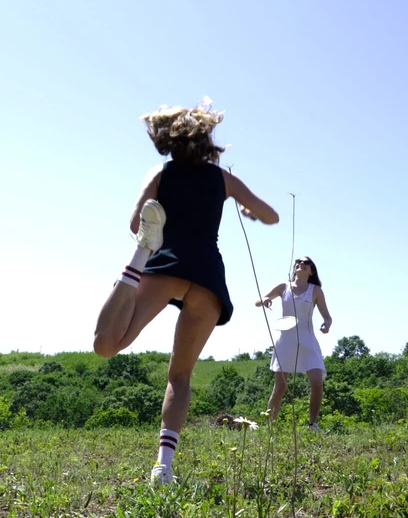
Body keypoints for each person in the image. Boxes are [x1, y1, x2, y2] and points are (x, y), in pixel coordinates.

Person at [93, 97, 279, 485]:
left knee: (107, 344)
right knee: (180, 376)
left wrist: (150, 235)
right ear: (207, 138)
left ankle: (135, 264)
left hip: (166, 265)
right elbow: (271, 215)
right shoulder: (224, 179)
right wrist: (248, 210)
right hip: (208, 277)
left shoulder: (161, 173)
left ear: (169, 138)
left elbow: (133, 222)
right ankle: (164, 467)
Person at [255, 256, 333, 430]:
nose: (301, 264)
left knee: (317, 381)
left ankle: (313, 424)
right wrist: (265, 300)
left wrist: (326, 324)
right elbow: (258, 300)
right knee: (280, 386)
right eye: (298, 261)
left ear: (311, 271)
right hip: (286, 341)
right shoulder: (284, 287)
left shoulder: (316, 291)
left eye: (306, 263)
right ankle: (269, 427)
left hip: (308, 341)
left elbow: (327, 316)